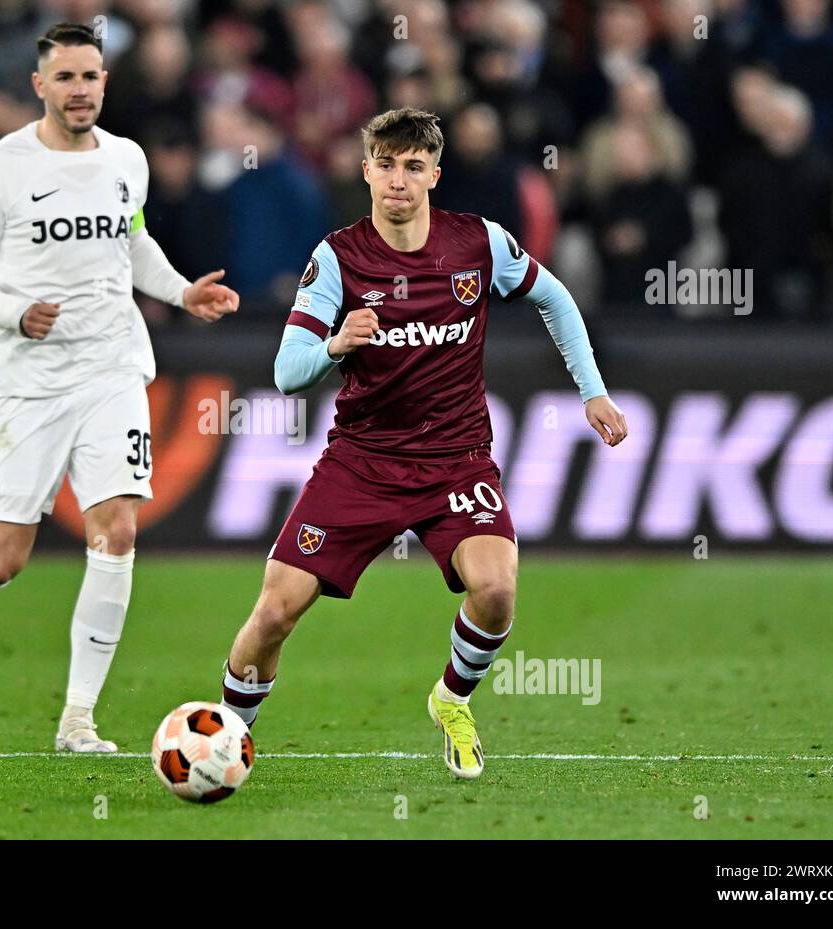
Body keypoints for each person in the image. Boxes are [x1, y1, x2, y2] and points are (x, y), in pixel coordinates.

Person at [217, 107, 628, 779]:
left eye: (413, 167)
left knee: (495, 590)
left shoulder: (479, 245)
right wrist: (334, 344)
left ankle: (452, 699)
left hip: (457, 461)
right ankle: (228, 732)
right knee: (274, 613)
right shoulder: (338, 258)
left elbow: (555, 298)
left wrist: (592, 389)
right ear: (366, 171)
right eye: (386, 165)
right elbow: (286, 375)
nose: (399, 181)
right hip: (361, 463)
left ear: (434, 174)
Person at [0, 23, 239, 753]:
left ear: (105, 81)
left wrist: (179, 290)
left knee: (118, 530)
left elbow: (130, 241)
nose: (80, 90)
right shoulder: (1, 168)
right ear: (39, 86)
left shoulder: (127, 159)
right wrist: (14, 312)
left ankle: (78, 719)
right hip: (28, 384)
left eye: (91, 76)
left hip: (111, 366)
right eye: (65, 78)